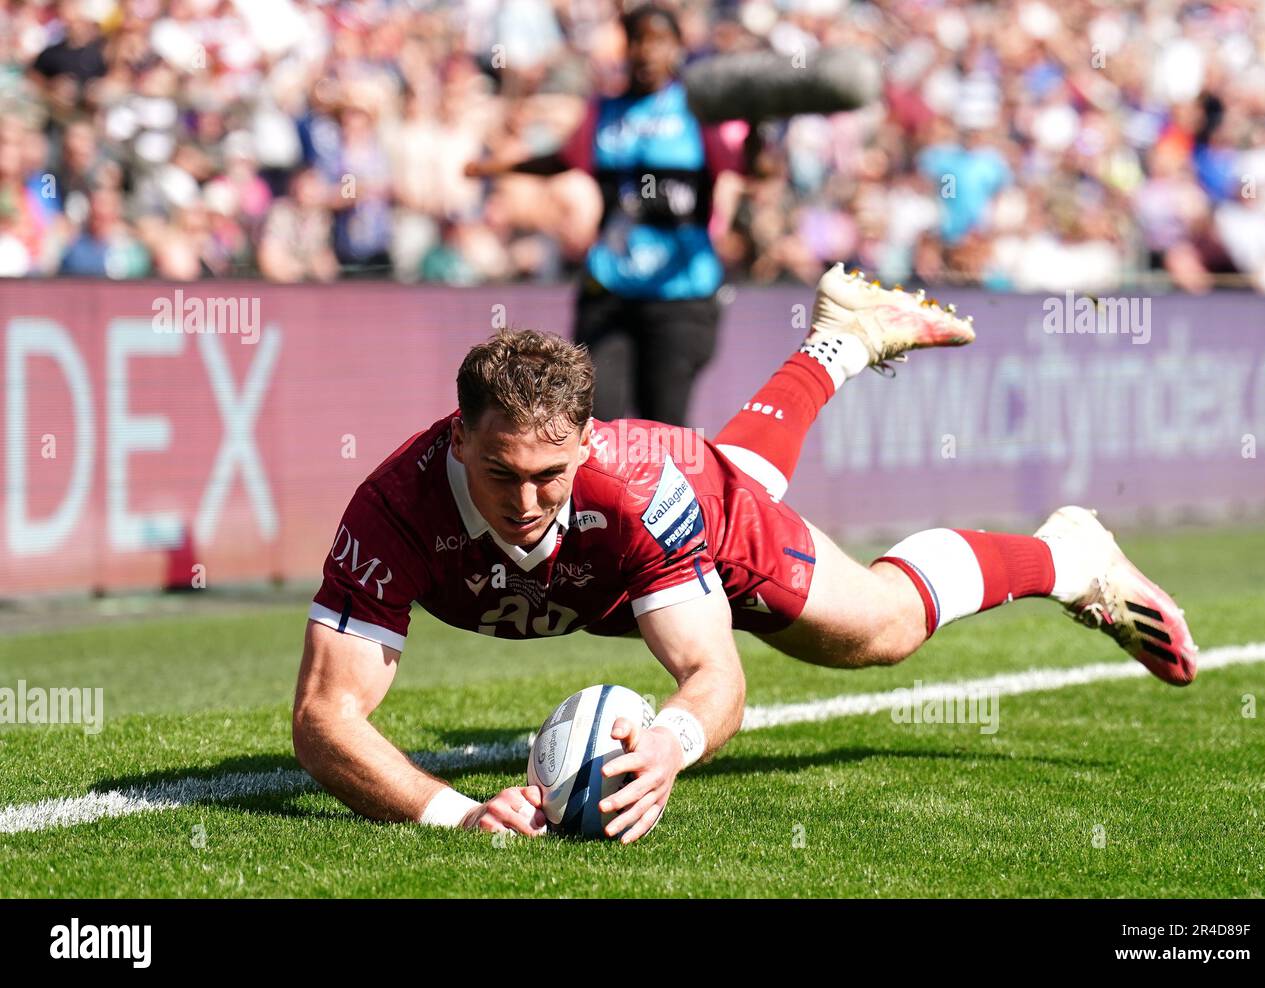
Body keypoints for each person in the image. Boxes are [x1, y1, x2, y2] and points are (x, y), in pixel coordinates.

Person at [293, 264, 1198, 844]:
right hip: (649, 527)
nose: (526, 503)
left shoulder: (640, 491)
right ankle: (839, 341)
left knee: (875, 630)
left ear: (587, 444)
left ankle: (1065, 555)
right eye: (500, 473)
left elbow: (713, 677)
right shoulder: (391, 511)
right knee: (742, 473)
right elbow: (325, 718)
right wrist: (457, 815)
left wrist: (670, 743)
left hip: (692, 524)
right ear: (457, 439)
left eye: (550, 475)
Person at [465, 3, 746, 425]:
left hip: (681, 297)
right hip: (610, 288)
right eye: (638, 41)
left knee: (663, 430)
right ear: (625, 47)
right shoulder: (603, 113)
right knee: (595, 424)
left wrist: (762, 125)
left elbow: (752, 166)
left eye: (659, 42)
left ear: (678, 48)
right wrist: (498, 167)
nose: (647, 53)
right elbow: (563, 159)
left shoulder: (700, 113)